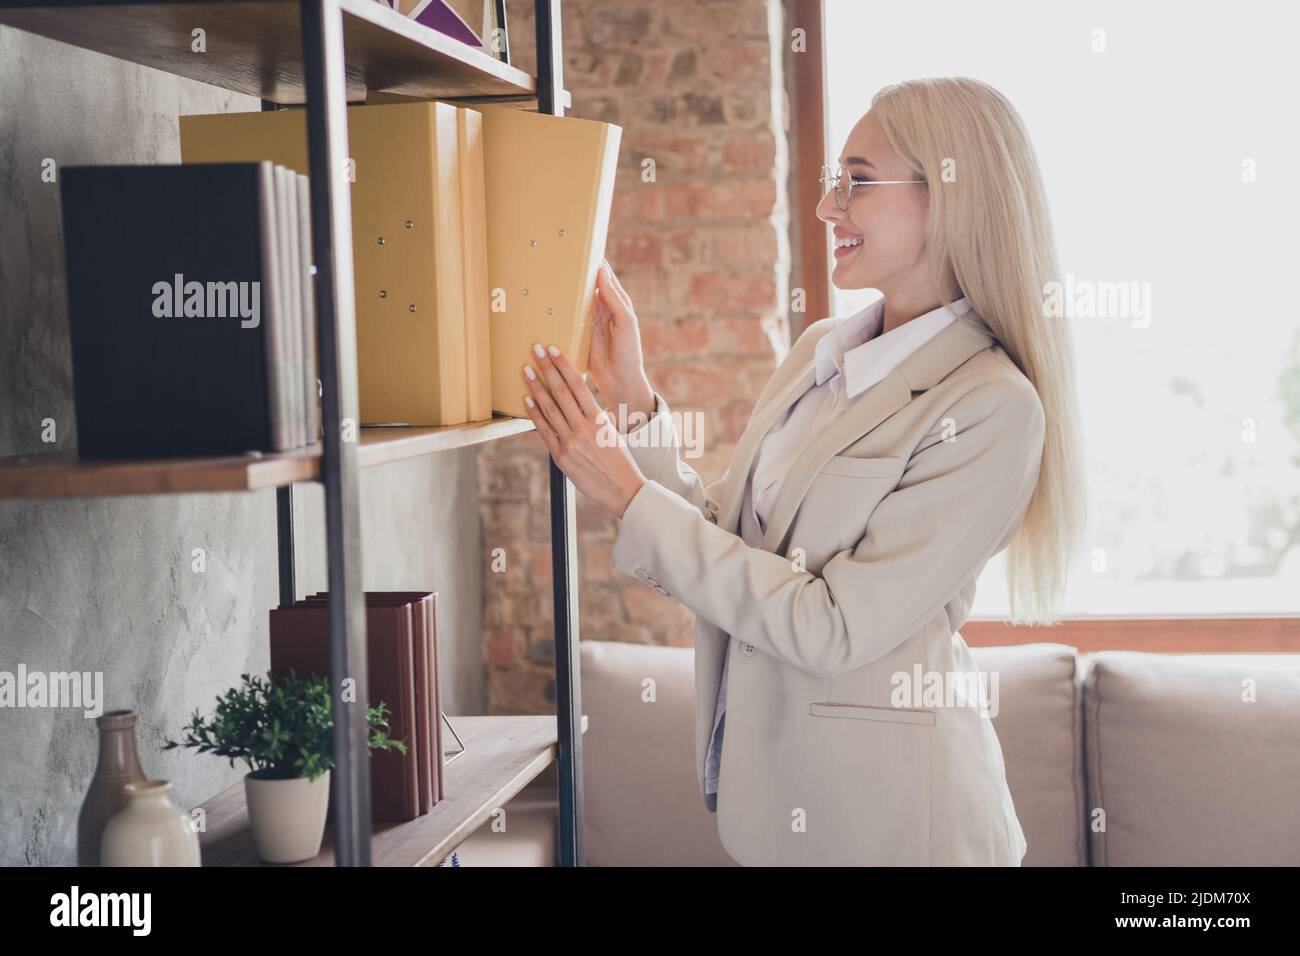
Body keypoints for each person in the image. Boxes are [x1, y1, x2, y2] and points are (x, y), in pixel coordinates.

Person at [518, 76, 1084, 866]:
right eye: (830, 180)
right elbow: (734, 547)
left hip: (903, 831)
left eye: (857, 180)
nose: (828, 208)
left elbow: (831, 626)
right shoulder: (818, 352)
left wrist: (624, 491)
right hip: (778, 812)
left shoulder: (995, 408)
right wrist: (637, 407)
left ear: (949, 195)